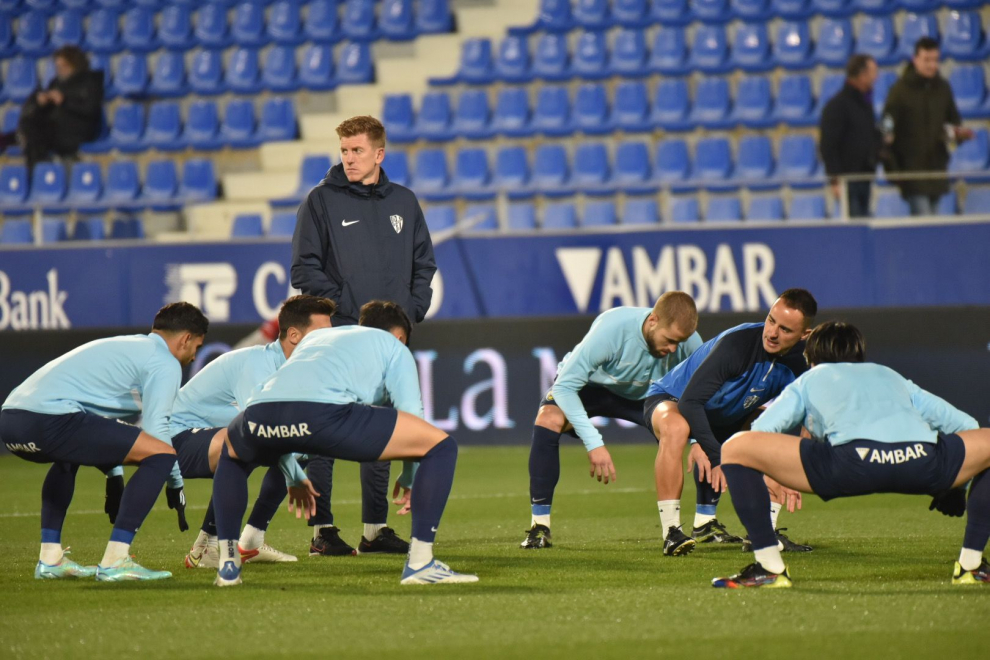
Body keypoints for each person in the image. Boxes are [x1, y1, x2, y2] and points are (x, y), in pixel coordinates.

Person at [210, 305, 477, 586]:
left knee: (233, 452)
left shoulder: (318, 338)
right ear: (400, 336)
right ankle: (421, 563)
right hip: (325, 416)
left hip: (259, 411)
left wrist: (293, 473)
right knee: (441, 445)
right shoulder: (394, 347)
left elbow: (290, 397)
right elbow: (412, 415)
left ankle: (228, 563)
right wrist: (410, 477)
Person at [712, 321, 988, 588]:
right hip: (922, 462)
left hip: (848, 465)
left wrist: (773, 472)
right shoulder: (889, 375)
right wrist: (955, 487)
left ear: (811, 358)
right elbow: (966, 426)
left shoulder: (810, 377)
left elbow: (761, 431)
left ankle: (769, 567)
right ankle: (971, 564)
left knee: (737, 446)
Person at [291, 115, 437, 557]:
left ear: (379, 153)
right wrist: (347, 311)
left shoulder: (405, 202)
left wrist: (405, 318)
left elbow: (424, 267)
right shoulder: (320, 201)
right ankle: (323, 530)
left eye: (357, 151)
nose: (349, 159)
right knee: (326, 432)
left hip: (388, 340)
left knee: (382, 430)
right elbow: (304, 269)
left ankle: (375, 529)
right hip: (339, 337)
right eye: (344, 151)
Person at [0, 303, 208, 581]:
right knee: (161, 454)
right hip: (49, 420)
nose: (195, 356)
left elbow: (94, 427)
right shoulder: (165, 362)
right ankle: (115, 559)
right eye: (197, 346)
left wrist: (114, 475)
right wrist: (175, 482)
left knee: (68, 458)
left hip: (12, 421)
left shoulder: (128, 347)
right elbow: (158, 429)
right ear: (185, 339)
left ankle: (50, 559)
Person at [521, 292, 702, 549]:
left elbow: (700, 394)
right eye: (670, 340)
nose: (673, 349)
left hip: (647, 395)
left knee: (681, 428)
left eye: (679, 342)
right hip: (593, 389)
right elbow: (564, 388)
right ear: (653, 320)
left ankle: (690, 526)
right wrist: (594, 443)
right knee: (548, 418)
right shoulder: (612, 330)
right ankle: (540, 528)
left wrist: (697, 439)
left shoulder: (690, 342)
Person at [644, 289, 818, 556]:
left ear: (804, 335)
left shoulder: (802, 361)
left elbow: (810, 414)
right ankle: (671, 533)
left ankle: (763, 535)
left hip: (728, 413)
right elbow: (690, 402)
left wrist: (795, 467)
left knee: (776, 436)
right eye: (771, 320)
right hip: (674, 400)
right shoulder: (737, 345)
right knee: (678, 427)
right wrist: (716, 454)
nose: (772, 333)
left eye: (785, 329)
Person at [172, 295, 335, 569]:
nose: (330, 342)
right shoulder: (257, 364)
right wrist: (295, 477)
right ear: (294, 335)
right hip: (175, 440)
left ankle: (251, 541)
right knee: (243, 441)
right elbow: (261, 428)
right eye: (322, 334)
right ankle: (209, 546)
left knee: (304, 441)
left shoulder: (294, 369)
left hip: (214, 437)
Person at [882, 37, 974, 217]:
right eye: (927, 60)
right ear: (915, 59)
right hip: (911, 172)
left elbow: (953, 121)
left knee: (932, 223)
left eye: (935, 60)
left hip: (937, 168)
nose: (932, 65)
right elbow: (886, 126)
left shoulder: (943, 88)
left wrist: (958, 135)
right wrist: (892, 165)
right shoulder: (899, 91)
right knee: (924, 219)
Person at [0, 46, 104, 173]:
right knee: (31, 127)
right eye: (58, 67)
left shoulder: (91, 82)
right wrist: (41, 103)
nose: (60, 70)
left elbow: (90, 110)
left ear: (75, 64)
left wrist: (65, 101)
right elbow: (47, 110)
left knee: (33, 136)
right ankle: (37, 172)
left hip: (79, 130)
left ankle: (35, 169)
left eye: (64, 66)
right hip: (58, 127)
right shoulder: (56, 82)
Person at [819, 54, 882, 218]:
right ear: (862, 75)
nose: (876, 77)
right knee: (855, 224)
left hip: (865, 175)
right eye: (873, 72)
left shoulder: (865, 104)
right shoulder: (837, 106)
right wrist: (835, 179)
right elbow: (828, 145)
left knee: (864, 221)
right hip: (847, 180)